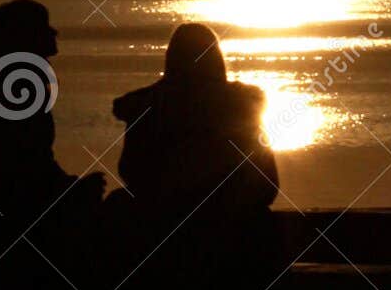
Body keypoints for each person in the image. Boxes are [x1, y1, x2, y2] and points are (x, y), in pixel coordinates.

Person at [0, 0, 104, 260]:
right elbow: (26, 173)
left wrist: (71, 188)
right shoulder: (13, 87)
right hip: (5, 219)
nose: (54, 32)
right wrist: (74, 191)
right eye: (44, 27)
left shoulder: (6, 82)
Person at [111, 23, 278, 229]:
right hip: (226, 217)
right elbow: (268, 184)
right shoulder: (241, 107)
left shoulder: (147, 105)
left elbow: (130, 170)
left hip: (163, 217)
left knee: (118, 203)